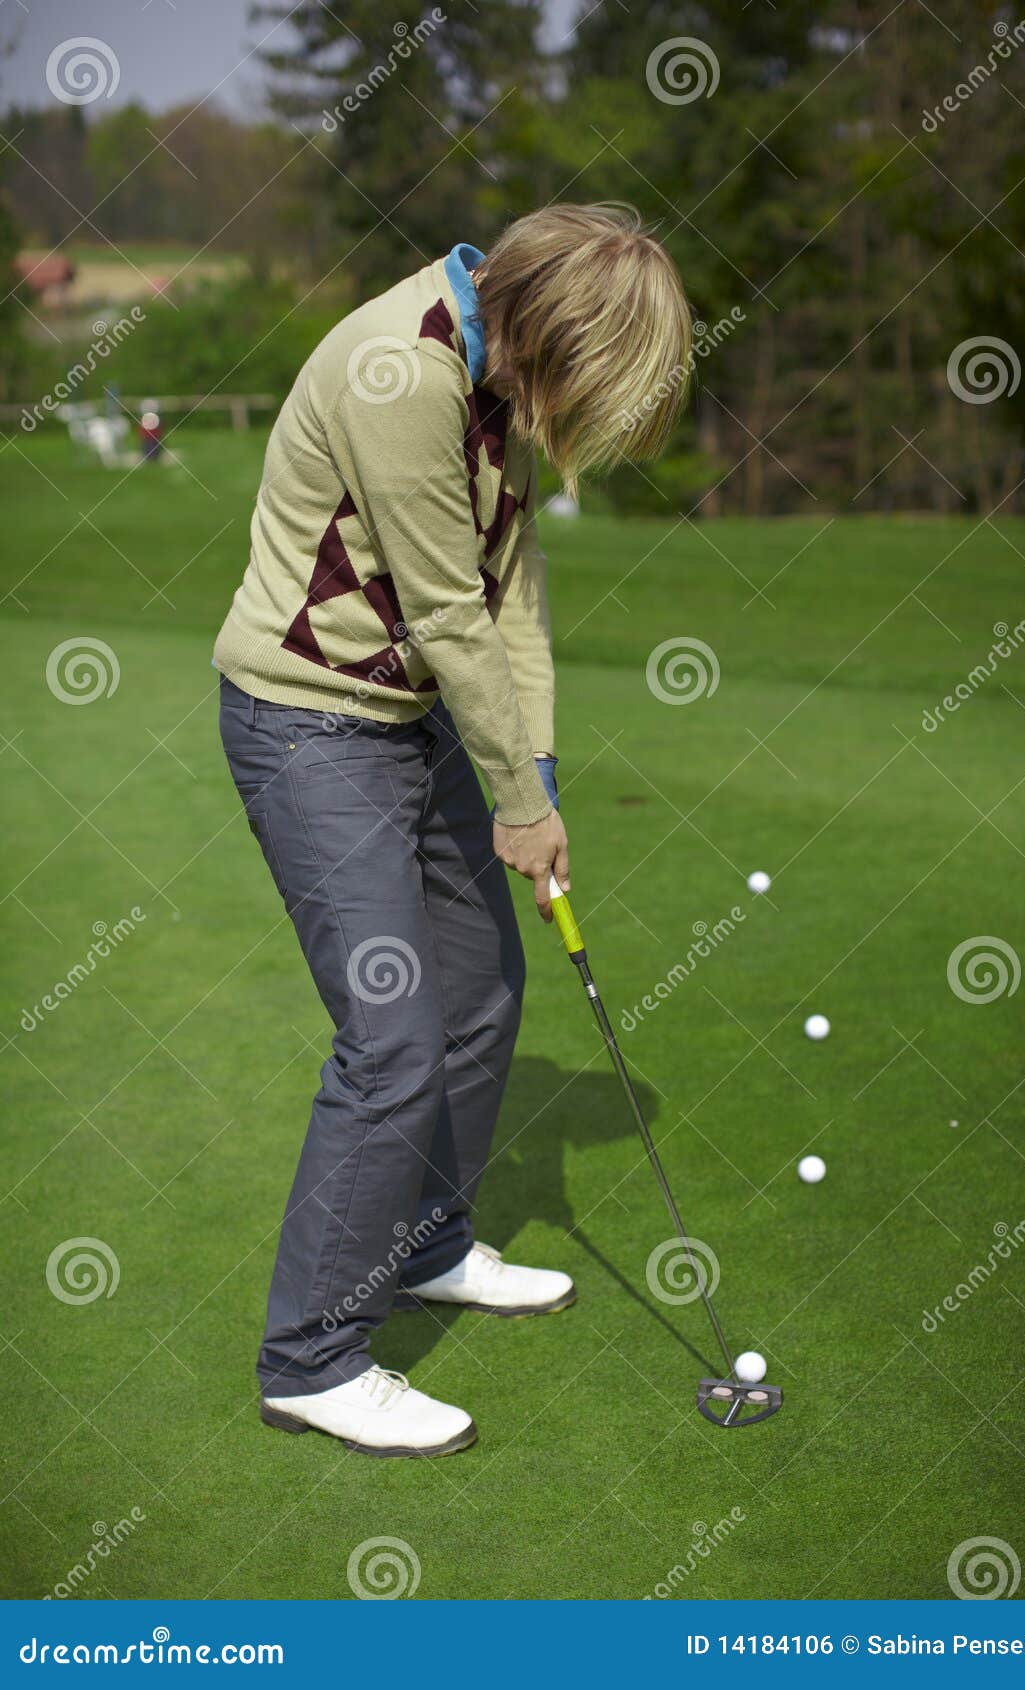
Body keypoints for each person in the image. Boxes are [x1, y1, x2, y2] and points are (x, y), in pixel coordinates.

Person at [214, 203, 691, 1457]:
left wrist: (532, 774)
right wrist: (519, 809)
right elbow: (441, 610)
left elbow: (512, 599)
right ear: (545, 326)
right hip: (308, 721)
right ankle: (310, 1358)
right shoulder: (399, 371)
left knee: (482, 989)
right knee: (393, 1036)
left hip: (415, 724)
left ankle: (426, 1244)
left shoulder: (504, 365)